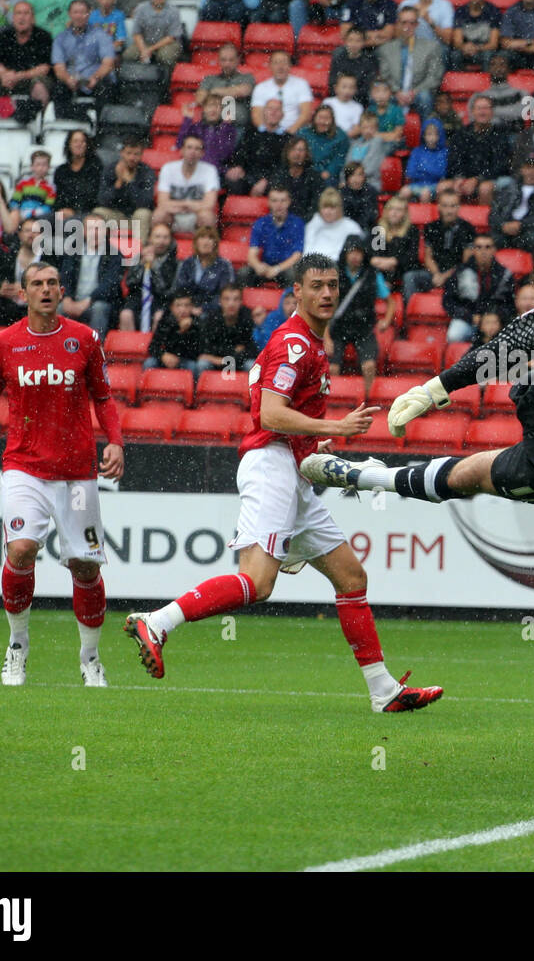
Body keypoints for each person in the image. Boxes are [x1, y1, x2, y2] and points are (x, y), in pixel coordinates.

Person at [123, 253, 443, 714]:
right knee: (257, 582)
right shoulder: (294, 343)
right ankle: (157, 621)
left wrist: (313, 447)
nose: (328, 293)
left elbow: (285, 416)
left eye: (333, 285)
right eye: (317, 286)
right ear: (297, 291)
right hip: (271, 466)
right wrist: (330, 428)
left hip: (290, 465)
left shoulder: (312, 343)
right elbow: (269, 414)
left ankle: (383, 690)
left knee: (352, 576)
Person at [304, 263, 534, 504]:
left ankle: (366, 475)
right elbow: (503, 350)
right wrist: (434, 390)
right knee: (526, 375)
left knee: (465, 476)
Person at [0, 260, 126, 688]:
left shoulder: (84, 339)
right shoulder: (4, 343)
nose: (46, 289)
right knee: (20, 550)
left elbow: (104, 396)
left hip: (77, 475)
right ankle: (17, 647)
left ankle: (90, 657)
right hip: (25, 468)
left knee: (85, 568)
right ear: (25, 292)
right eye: (37, 283)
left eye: (53, 282)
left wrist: (115, 441)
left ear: (60, 289)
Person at [328, 234, 389, 395]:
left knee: (369, 367)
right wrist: (326, 337)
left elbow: (390, 301)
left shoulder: (372, 274)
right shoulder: (334, 274)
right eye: (351, 252)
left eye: (359, 252)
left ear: (364, 254)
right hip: (339, 328)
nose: (355, 256)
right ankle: (333, 400)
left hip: (364, 327)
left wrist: (387, 320)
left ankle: (367, 399)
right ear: (345, 254)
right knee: (332, 368)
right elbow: (325, 308)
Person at [52, 0, 119, 120]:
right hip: (73, 81)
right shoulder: (61, 38)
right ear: (70, 14)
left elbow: (108, 63)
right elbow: (59, 68)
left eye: (83, 12)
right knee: (59, 89)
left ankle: (100, 129)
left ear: (89, 14)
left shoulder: (101, 35)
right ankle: (68, 125)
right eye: (75, 12)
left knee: (106, 87)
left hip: (96, 80)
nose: (79, 16)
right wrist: (68, 79)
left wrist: (95, 78)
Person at [441, 233, 515, 343]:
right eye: (479, 247)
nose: (483, 251)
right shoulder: (460, 272)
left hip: (495, 323)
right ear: (473, 250)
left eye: (488, 247)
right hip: (468, 320)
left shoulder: (505, 274)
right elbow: (448, 301)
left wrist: (496, 317)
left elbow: (510, 304)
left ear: (494, 250)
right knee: (454, 336)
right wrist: (470, 317)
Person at [58, 214, 124, 338]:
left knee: (99, 309)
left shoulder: (114, 254)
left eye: (98, 228)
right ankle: (57, 348)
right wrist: (66, 298)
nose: (95, 233)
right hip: (74, 300)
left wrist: (89, 300)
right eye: (90, 228)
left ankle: (96, 349)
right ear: (83, 231)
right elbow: (65, 277)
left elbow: (110, 285)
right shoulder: (72, 251)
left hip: (97, 302)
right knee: (58, 308)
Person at [376, 5, 446, 118]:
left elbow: (434, 77)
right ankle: (383, 133)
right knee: (379, 95)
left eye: (412, 23)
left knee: (425, 97)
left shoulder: (431, 47)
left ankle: (426, 131)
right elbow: (385, 75)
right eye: (404, 23)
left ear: (417, 25)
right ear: (398, 24)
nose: (407, 27)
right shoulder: (386, 49)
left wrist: (414, 92)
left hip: (419, 92)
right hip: (394, 93)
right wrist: (397, 92)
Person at [119, 220, 180, 333]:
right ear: (150, 239)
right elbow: (130, 283)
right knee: (125, 314)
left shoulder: (175, 263)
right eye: (157, 237)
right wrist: (141, 264)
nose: (161, 241)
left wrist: (154, 267)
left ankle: (154, 348)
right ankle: (131, 348)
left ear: (170, 240)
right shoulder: (139, 258)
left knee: (159, 316)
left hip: (161, 301)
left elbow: (166, 290)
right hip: (138, 299)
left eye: (165, 237)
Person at [154, 131, 219, 232]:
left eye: (197, 149)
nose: (192, 152)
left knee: (207, 216)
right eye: (189, 147)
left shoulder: (210, 170)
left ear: (202, 153)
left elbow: (210, 204)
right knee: (159, 215)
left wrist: (182, 204)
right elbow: (162, 202)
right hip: (173, 216)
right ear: (182, 150)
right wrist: (190, 205)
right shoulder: (168, 168)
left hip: (196, 216)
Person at [244, 184, 303, 286]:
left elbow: (297, 255)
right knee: (243, 273)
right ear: (268, 202)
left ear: (289, 202)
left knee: (293, 275)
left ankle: (290, 301)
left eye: (283, 200)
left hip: (285, 269)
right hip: (265, 268)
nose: (278, 205)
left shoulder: (297, 223)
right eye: (274, 201)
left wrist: (277, 268)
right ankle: (245, 302)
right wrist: (258, 266)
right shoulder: (261, 223)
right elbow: (252, 253)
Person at [96, 136, 156, 233]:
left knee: (143, 214)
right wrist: (119, 183)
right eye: (129, 153)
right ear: (122, 153)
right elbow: (102, 200)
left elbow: (146, 202)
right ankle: (99, 246)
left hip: (136, 217)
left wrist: (130, 183)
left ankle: (140, 247)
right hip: (116, 216)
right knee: (98, 213)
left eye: (136, 154)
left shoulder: (146, 171)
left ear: (141, 155)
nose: (132, 158)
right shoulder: (110, 169)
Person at [249, 49, 313, 134]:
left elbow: (306, 114)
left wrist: (289, 132)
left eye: (284, 62)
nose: (280, 67)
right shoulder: (261, 87)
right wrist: (267, 133)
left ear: (290, 66)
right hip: (268, 134)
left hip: (295, 133)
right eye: (276, 63)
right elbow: (256, 116)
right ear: (270, 66)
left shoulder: (301, 84)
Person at [175, 225, 234, 313]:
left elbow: (224, 295)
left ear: (215, 243)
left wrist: (203, 309)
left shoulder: (224, 265)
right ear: (196, 242)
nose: (206, 242)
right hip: (186, 310)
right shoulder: (187, 263)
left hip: (213, 313)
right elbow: (180, 290)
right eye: (202, 237)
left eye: (210, 238)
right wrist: (189, 308)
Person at [145, 287, 203, 376]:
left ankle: (194, 390)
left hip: (185, 361)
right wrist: (163, 355)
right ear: (171, 307)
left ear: (192, 307)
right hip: (165, 359)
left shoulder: (197, 323)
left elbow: (197, 352)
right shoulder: (165, 321)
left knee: (194, 366)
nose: (183, 310)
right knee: (149, 363)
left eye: (187, 305)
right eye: (178, 305)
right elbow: (152, 347)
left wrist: (184, 331)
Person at [53, 130, 104, 228]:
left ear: (87, 145)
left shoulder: (95, 167)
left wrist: (73, 211)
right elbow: (59, 197)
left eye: (82, 141)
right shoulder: (61, 170)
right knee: (41, 222)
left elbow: (93, 195)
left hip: (88, 212)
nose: (79, 144)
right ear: (69, 145)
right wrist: (62, 210)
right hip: (64, 212)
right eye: (75, 141)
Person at [197, 41, 255, 125]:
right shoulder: (209, 79)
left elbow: (243, 91)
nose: (227, 64)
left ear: (238, 60)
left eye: (231, 60)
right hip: (211, 126)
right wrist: (230, 92)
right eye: (223, 60)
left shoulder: (246, 77)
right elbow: (200, 99)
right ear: (218, 60)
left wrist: (214, 92)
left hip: (237, 127)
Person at [199, 280, 254, 369]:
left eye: (235, 299)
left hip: (238, 362)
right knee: (203, 364)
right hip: (217, 362)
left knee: (252, 365)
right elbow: (205, 347)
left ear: (241, 302)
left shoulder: (247, 317)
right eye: (226, 299)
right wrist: (234, 351)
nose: (231, 304)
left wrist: (226, 358)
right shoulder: (212, 318)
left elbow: (252, 350)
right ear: (220, 301)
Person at [303, 186, 361, 260]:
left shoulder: (351, 227)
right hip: (313, 266)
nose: (328, 212)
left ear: (339, 208)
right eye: (325, 207)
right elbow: (306, 251)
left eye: (332, 207)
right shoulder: (313, 224)